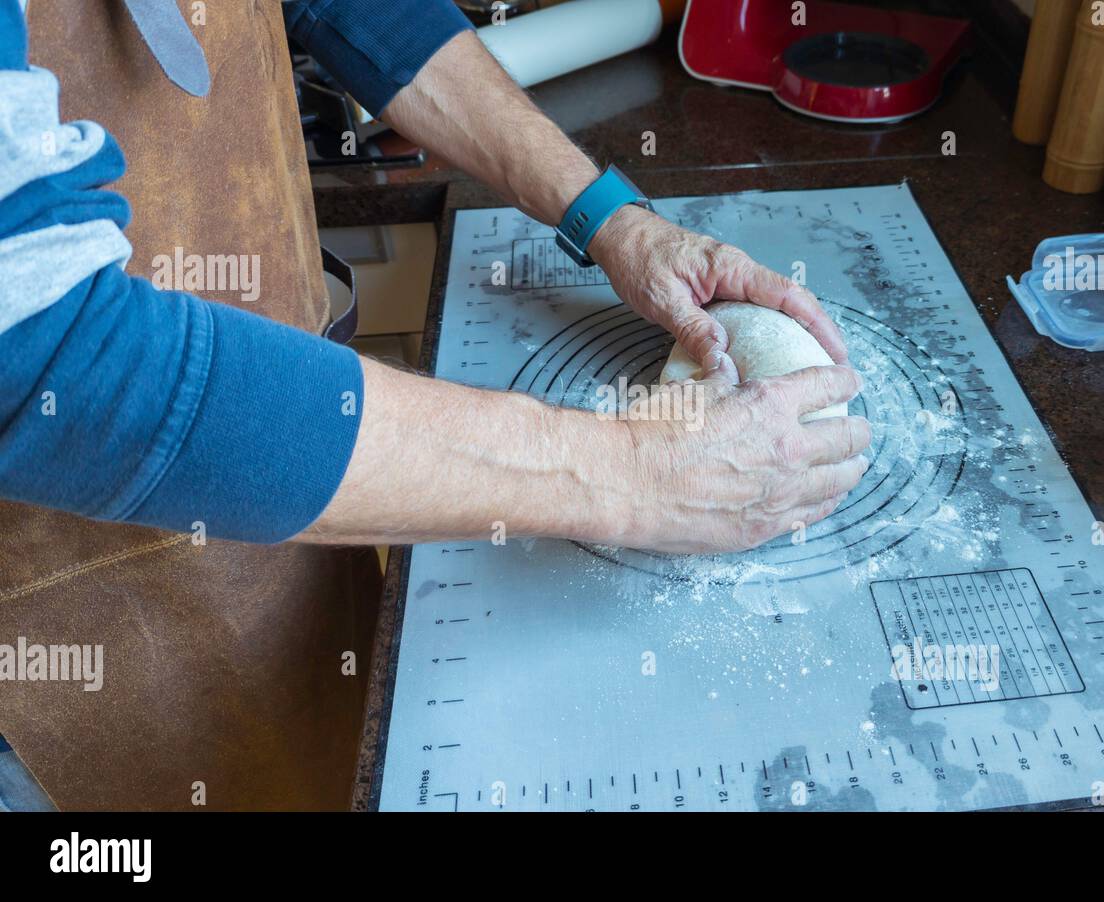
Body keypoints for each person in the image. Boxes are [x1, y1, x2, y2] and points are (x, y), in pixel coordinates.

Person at [0, 0, 869, 808]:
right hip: (60, 597)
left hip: (282, 462)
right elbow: (48, 345)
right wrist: (632, 473)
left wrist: (614, 220)